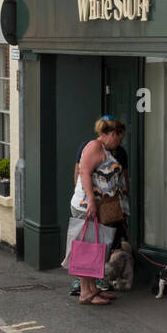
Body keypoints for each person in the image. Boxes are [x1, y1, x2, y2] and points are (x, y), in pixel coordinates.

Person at [64, 117, 127, 305]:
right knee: (87, 248)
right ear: (112, 134)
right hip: (86, 206)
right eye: (119, 138)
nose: (119, 143)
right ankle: (85, 293)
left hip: (98, 207)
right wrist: (91, 201)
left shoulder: (105, 149)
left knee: (95, 248)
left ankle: (93, 288)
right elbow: (83, 172)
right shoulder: (94, 146)